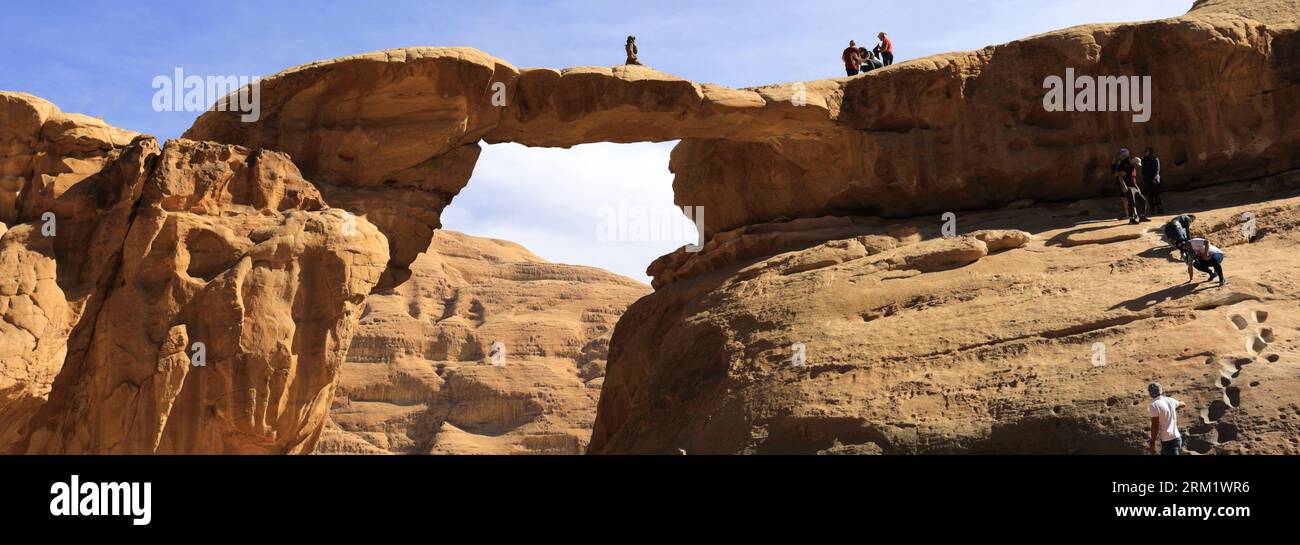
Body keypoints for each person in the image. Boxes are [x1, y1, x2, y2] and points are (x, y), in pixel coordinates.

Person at [1111, 148, 1149, 224]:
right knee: (1131, 202)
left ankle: (1142, 216)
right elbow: (1120, 176)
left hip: (1133, 186)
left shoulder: (1133, 167)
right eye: (1137, 164)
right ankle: (1131, 219)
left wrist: (1137, 187)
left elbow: (1133, 178)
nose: (1137, 166)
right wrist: (1124, 186)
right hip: (1128, 187)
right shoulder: (1128, 166)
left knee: (1142, 200)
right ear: (1134, 162)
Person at [1147, 383, 1182, 455]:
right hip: (1177, 438)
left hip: (1169, 441)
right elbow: (1183, 404)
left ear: (1150, 393)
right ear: (1161, 391)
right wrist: (1174, 407)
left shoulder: (1154, 405)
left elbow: (1155, 425)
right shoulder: (1170, 400)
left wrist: (1152, 443)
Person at [1142, 147, 1163, 214]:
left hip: (1154, 179)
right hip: (1147, 179)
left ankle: (1160, 209)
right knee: (1150, 195)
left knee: (1156, 194)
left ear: (1150, 152)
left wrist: (1155, 178)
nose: (1145, 152)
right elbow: (1142, 170)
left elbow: (1157, 170)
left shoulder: (1155, 159)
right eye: (1145, 151)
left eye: (1146, 151)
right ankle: (1152, 210)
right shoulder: (1144, 160)